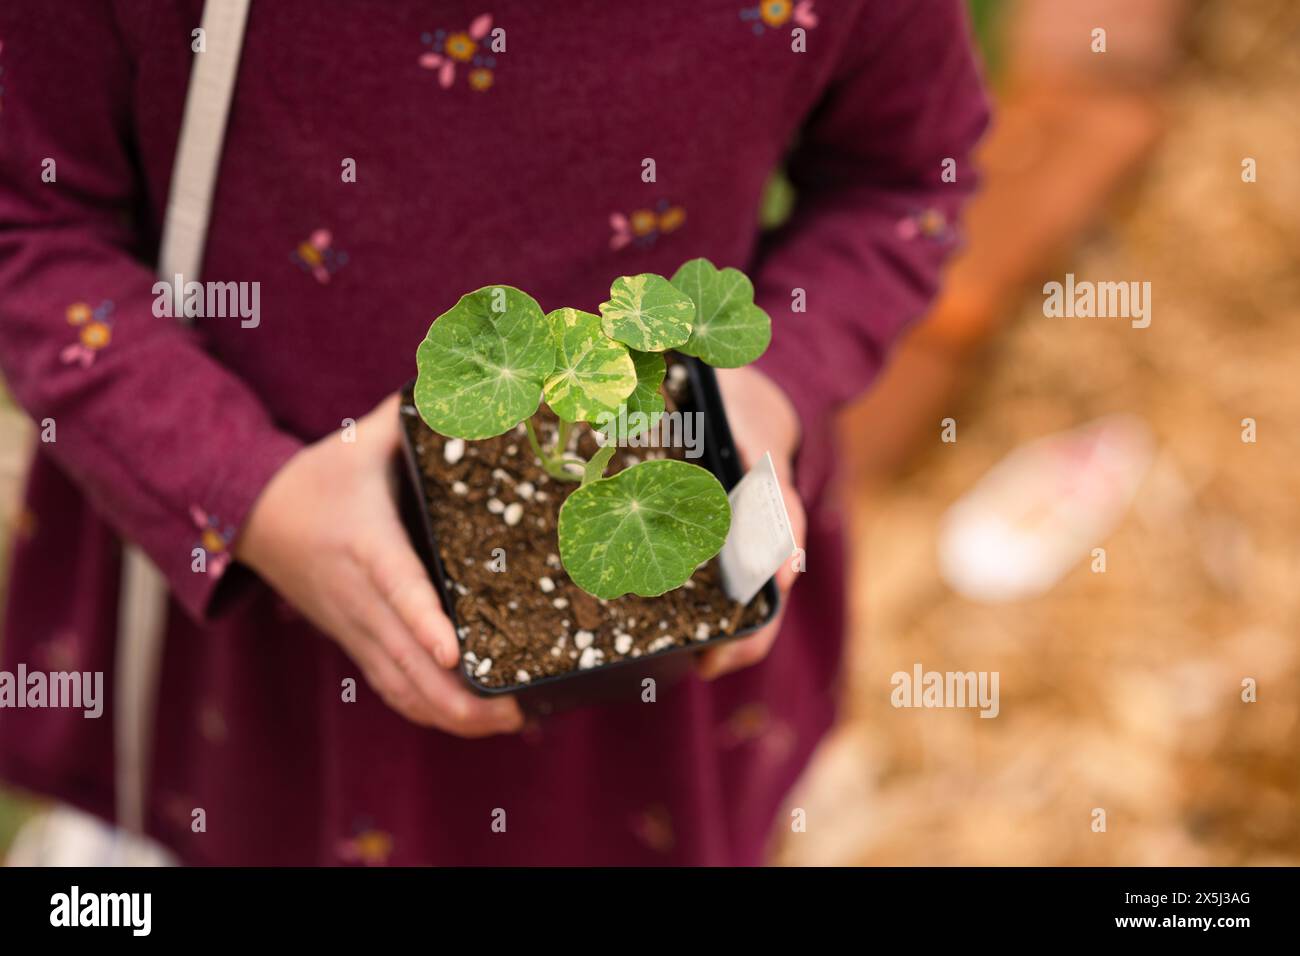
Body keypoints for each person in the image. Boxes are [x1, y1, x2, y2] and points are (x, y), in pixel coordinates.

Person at [0, 1, 988, 865]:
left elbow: (906, 179)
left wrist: (770, 390)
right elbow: (28, 223)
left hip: (645, 664)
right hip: (250, 654)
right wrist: (245, 494)